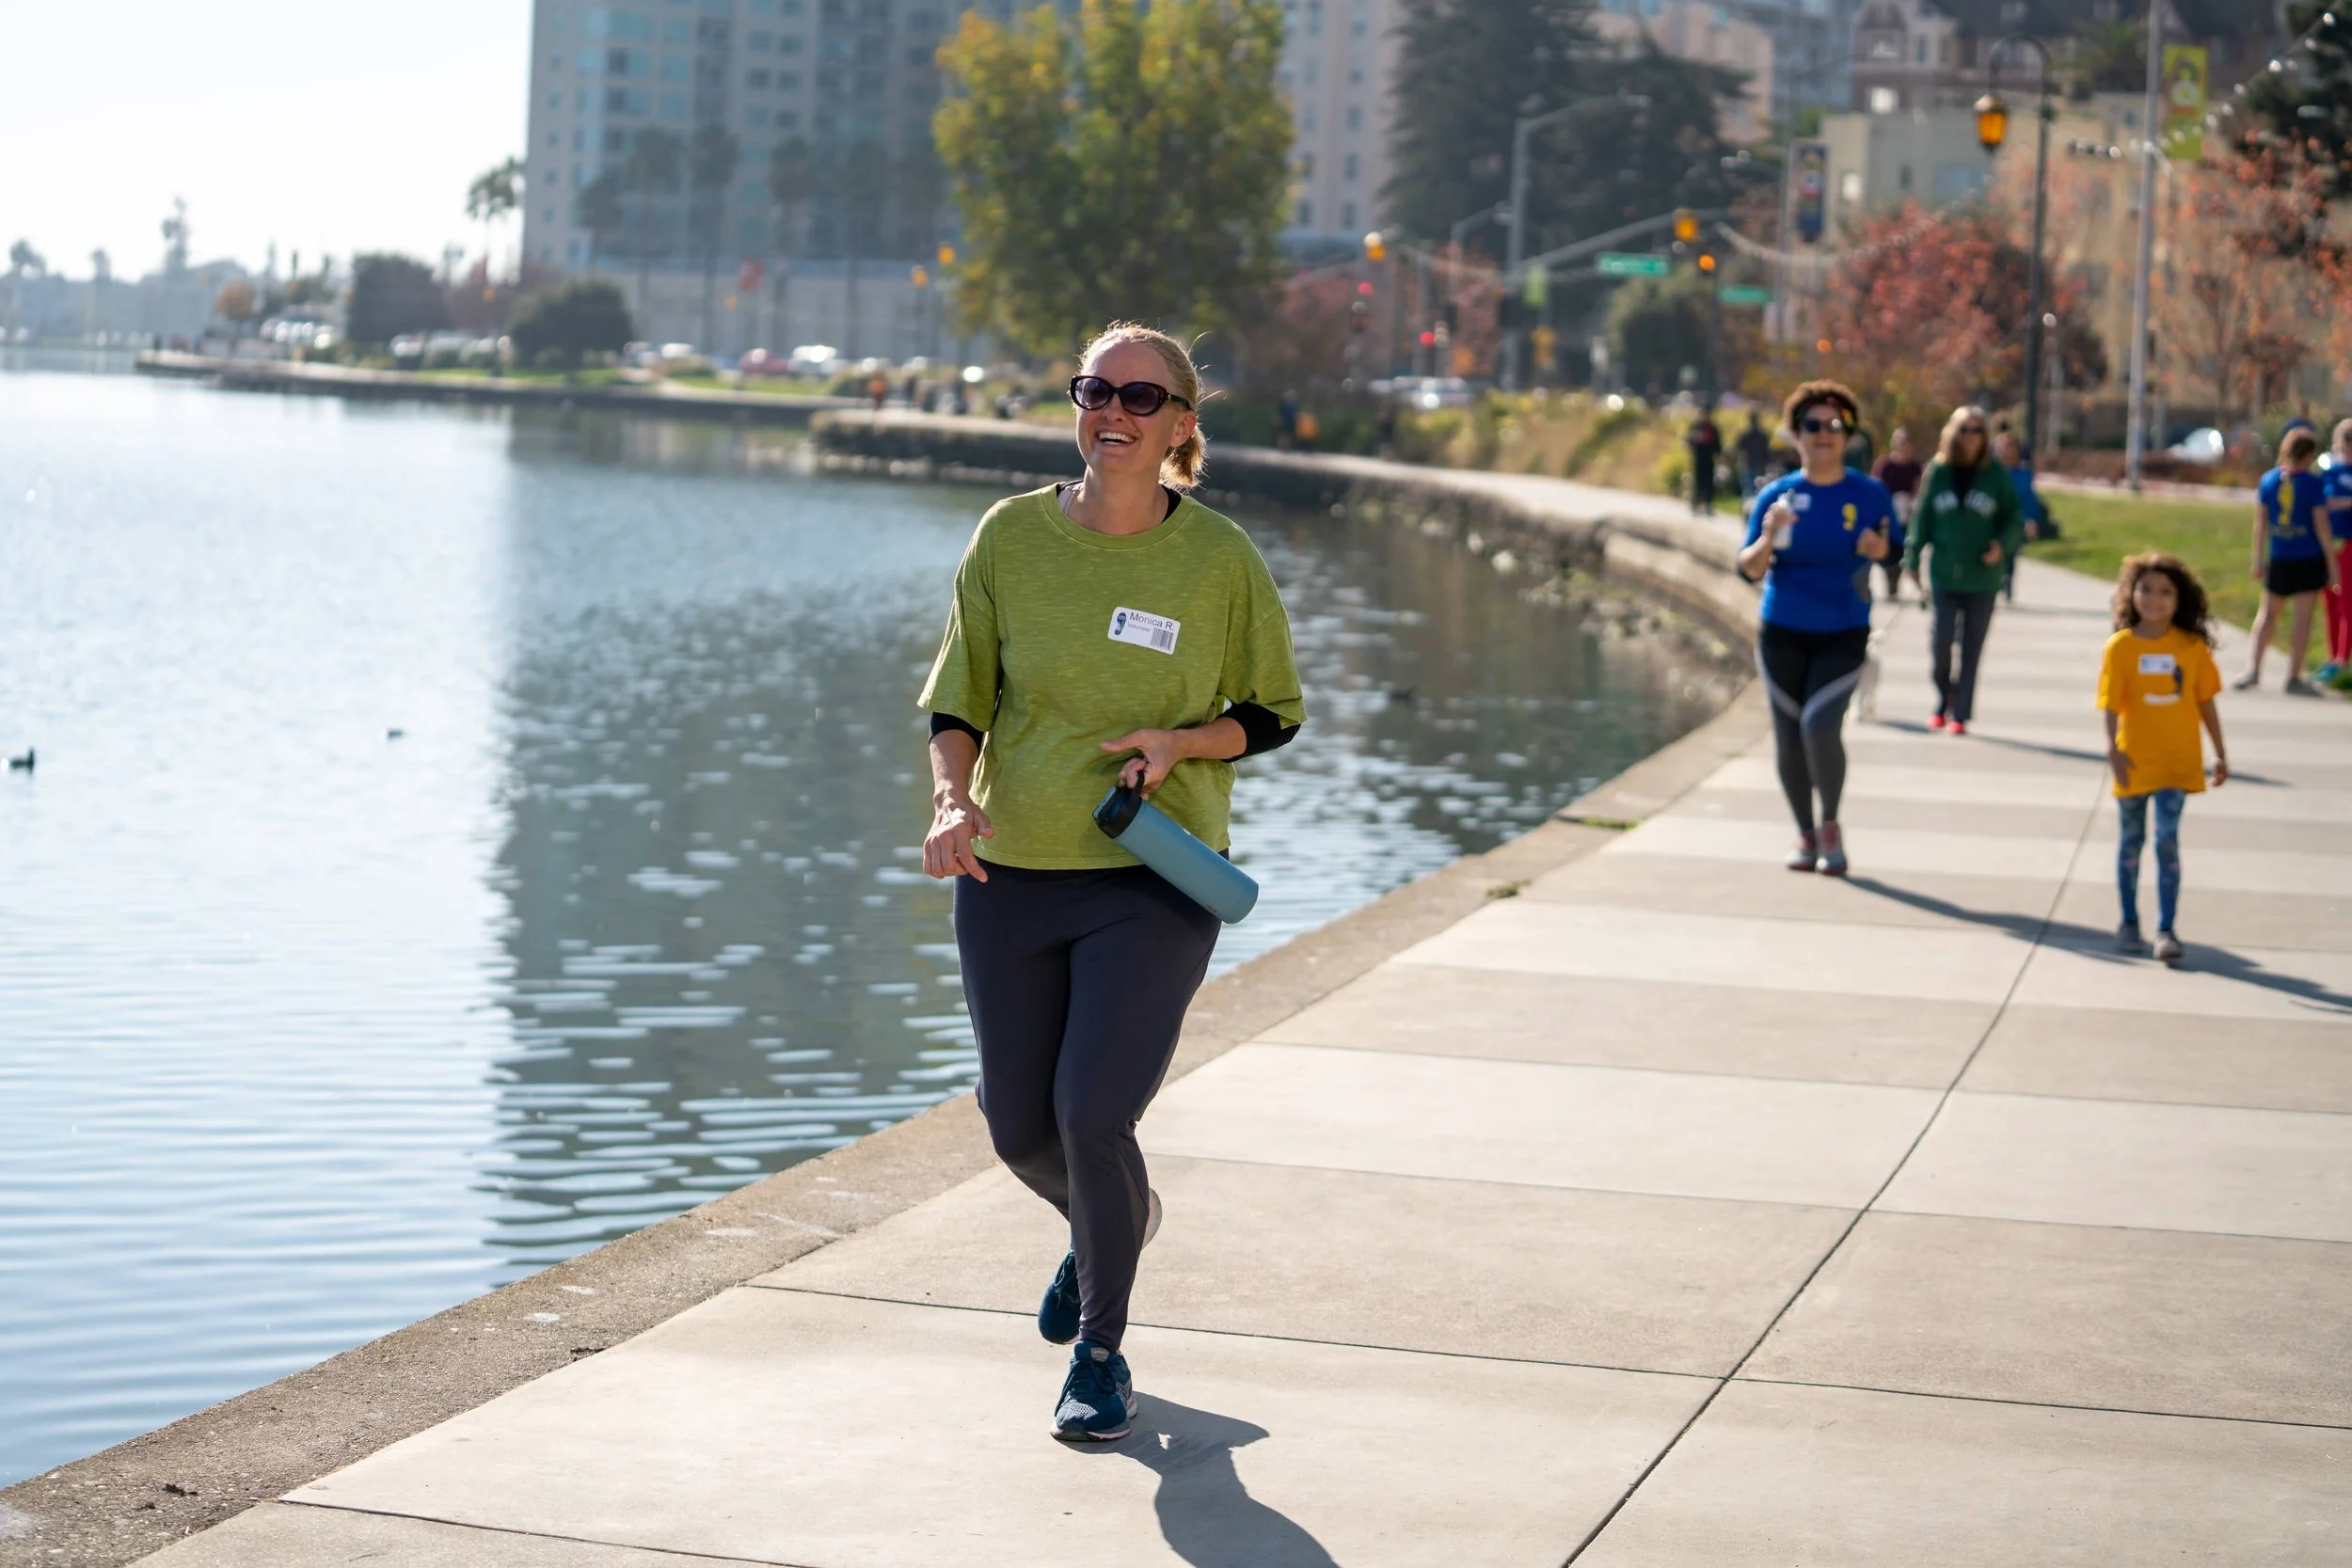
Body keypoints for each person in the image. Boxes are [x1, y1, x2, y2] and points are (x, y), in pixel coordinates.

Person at [918, 323, 1305, 1444]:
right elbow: (958, 699)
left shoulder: (1219, 557)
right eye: (1097, 389)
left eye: (1142, 396)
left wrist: (1183, 743)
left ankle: (1099, 1353)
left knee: (1092, 1113)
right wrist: (950, 800)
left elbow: (1272, 712)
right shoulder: (1009, 536)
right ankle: (1109, 1224)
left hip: (1151, 871)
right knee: (1016, 1124)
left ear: (1182, 422)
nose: (1114, 411)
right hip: (1010, 867)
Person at [1736, 380, 1899, 877]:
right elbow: (1747, 568)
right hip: (1782, 631)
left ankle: (1830, 825)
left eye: (1834, 425)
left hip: (1843, 630)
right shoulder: (1777, 496)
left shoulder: (1869, 495)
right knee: (1788, 737)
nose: (1823, 434)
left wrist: (1879, 550)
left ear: (1848, 435)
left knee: (1819, 726)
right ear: (1796, 434)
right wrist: (1769, 536)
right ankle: (1804, 834)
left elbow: (1896, 550)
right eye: (1812, 425)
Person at [2101, 553, 2229, 966]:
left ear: (2179, 599)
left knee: (2166, 841)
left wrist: (2220, 753)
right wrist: (2112, 749)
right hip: (2134, 762)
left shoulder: (2191, 648)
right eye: (2146, 589)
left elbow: (2205, 701)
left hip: (2178, 761)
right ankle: (2127, 921)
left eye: (2165, 592)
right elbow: (2109, 704)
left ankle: (2166, 928)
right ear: (2131, 593)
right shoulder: (2121, 647)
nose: (2154, 599)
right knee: (2130, 842)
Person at [1903, 406, 2023, 736]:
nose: (1971, 437)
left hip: (1983, 577)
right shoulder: (1938, 471)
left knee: (1972, 647)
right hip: (1944, 573)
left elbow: (2014, 518)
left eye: (1977, 430)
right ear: (1953, 434)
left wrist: (2001, 545)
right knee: (1940, 642)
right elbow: (1922, 518)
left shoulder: (1995, 474)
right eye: (1965, 430)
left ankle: (1961, 713)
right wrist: (1911, 557)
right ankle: (1944, 698)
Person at [2235, 426, 2340, 693]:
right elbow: (2322, 527)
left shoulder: (2269, 480)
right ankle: (2293, 676)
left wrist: (2257, 557)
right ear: (2310, 455)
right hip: (2308, 558)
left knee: (2268, 615)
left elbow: (2260, 525)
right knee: (2301, 620)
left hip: (2279, 556)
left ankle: (2253, 669)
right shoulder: (2313, 484)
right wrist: (2332, 565)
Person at [1870, 427, 1924, 602]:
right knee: (1889, 544)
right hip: (1889, 512)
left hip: (1908, 513)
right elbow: (1876, 487)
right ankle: (1889, 578)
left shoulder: (1915, 466)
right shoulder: (1885, 465)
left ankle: (1898, 578)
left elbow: (1919, 487)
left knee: (1904, 546)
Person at [1992, 430, 2044, 602]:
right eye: (2002, 447)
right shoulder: (1991, 472)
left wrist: (2031, 520)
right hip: (1994, 520)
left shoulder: (2023, 473)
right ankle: (1995, 581)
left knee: (2011, 553)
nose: (2006, 451)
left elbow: (2029, 498)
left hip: (2015, 520)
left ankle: (2007, 583)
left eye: (2009, 447)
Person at [2321, 419, 2352, 683]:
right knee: (2330, 603)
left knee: (2347, 604)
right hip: (2329, 546)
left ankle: (2343, 659)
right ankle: (2332, 659)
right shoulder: (2329, 472)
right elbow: (2324, 503)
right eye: (2346, 442)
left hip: (2349, 546)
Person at [1686, 410, 1724, 515]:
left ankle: (1708, 504)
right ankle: (1696, 503)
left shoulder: (1712, 428)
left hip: (1709, 459)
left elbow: (1718, 444)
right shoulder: (1695, 427)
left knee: (1709, 482)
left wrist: (1718, 454)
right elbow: (1689, 442)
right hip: (1698, 458)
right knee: (1698, 482)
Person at [1736, 409, 1774, 499]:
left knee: (1749, 487)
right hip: (1759, 462)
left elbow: (1740, 449)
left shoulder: (1745, 434)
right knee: (1757, 486)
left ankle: (1749, 503)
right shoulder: (1762, 434)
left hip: (1752, 462)